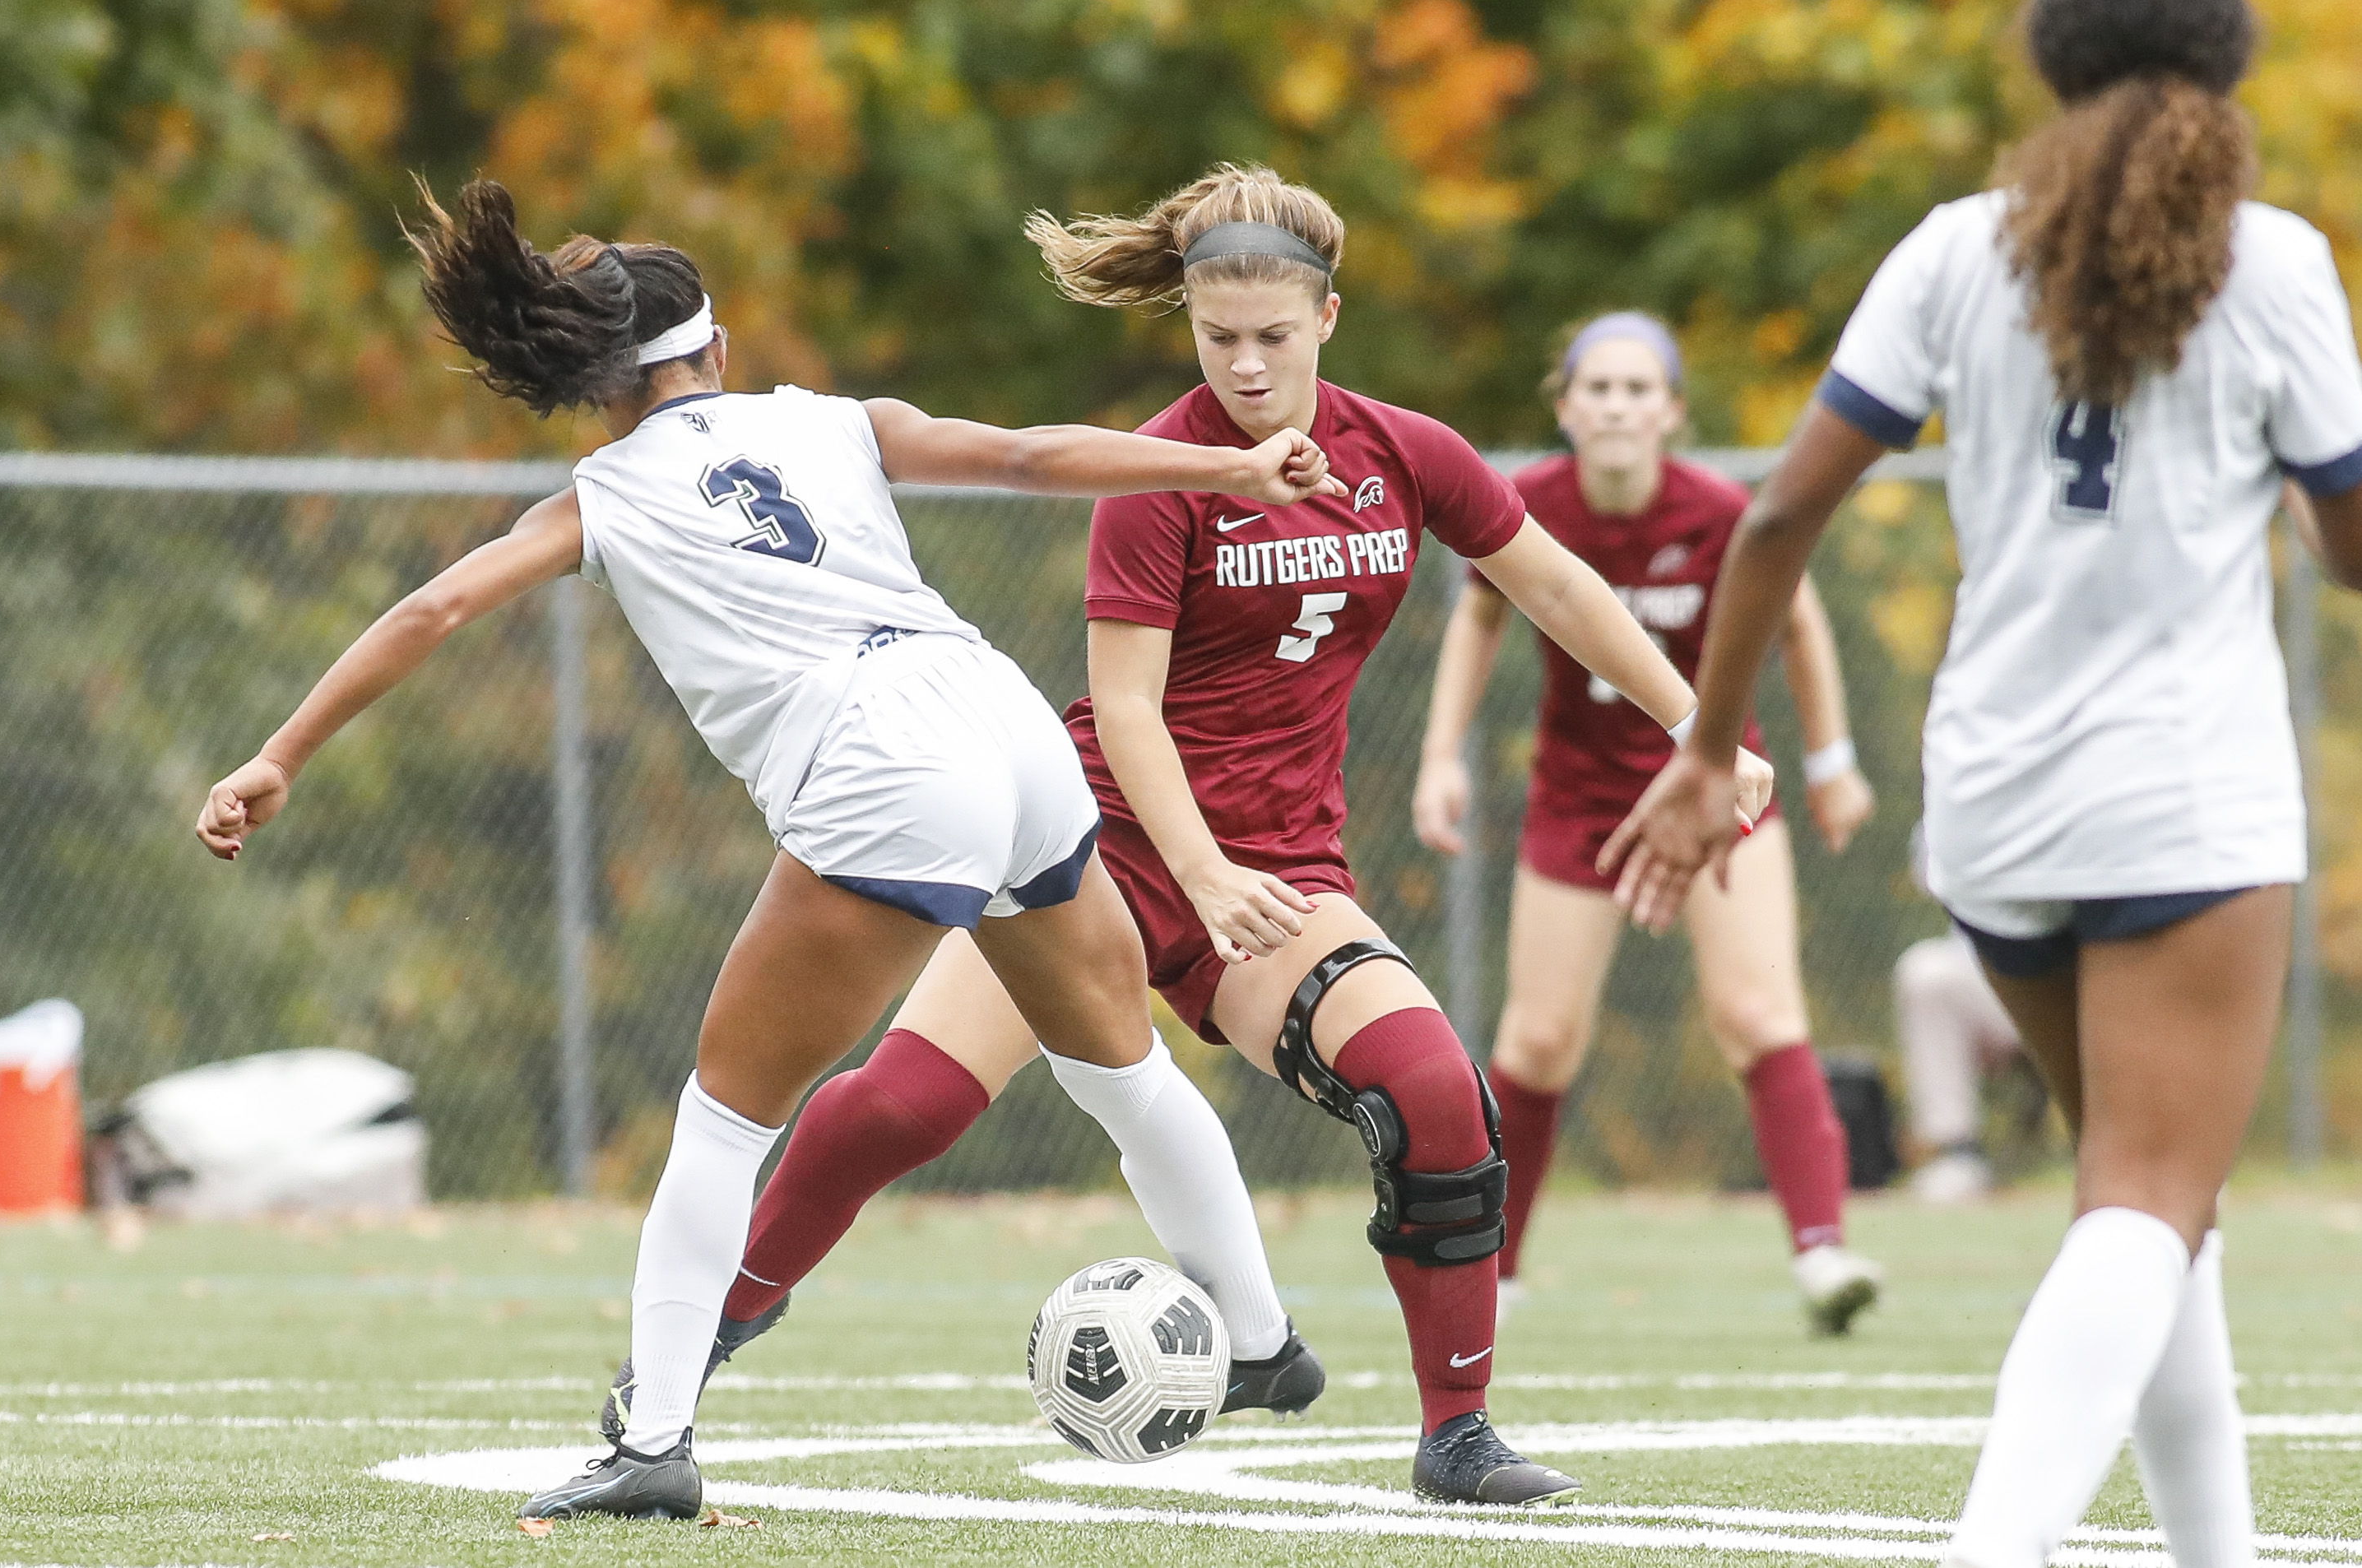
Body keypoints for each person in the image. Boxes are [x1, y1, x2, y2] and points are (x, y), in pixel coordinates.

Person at [194, 178, 1344, 1523]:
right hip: (1003, 721)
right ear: (718, 355)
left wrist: (280, 751)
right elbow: (1030, 459)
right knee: (1122, 1069)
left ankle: (655, 1445)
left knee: (722, 1118)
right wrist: (1228, 468)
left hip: (883, 765)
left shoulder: (601, 495)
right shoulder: (826, 421)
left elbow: (437, 608)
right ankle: (1263, 1342)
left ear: (598, 387)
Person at [630, 165, 1770, 1507]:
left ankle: (1456, 1435)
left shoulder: (1403, 455)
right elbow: (1120, 710)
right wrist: (1200, 873)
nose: (1241, 364)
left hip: (1278, 874)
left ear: (1327, 319)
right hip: (1092, 852)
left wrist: (1704, 731)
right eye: (1215, 337)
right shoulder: (1162, 473)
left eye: (1270, 338)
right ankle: (704, 1340)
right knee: (898, 1107)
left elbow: (1563, 591)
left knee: (1434, 1094)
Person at [1602, 0, 2362, 1559]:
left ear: (2049, 58)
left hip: (1994, 805)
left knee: (2159, 1206)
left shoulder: (1953, 247)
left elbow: (1771, 521)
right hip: (2183, 800)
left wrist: (1702, 746)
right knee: (2147, 1196)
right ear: (2225, 65)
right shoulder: (2272, 259)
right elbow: (2350, 548)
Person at [1412, 312, 1886, 1335]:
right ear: (1565, 406)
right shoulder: (1525, 506)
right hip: (1578, 804)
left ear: (1670, 411)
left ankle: (1821, 1252)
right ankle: (1497, 1268)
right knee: (1537, 1041)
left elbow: (1797, 624)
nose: (1617, 406)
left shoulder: (1717, 510)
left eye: (1638, 390)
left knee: (1757, 1015)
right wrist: (1441, 755)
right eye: (1598, 388)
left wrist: (1831, 760)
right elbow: (1479, 616)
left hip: (1716, 796)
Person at [1895, 828, 2029, 1204]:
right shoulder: (1969, 770)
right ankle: (1957, 1152)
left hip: (2102, 972)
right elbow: (1929, 869)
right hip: (1997, 978)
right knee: (1927, 975)